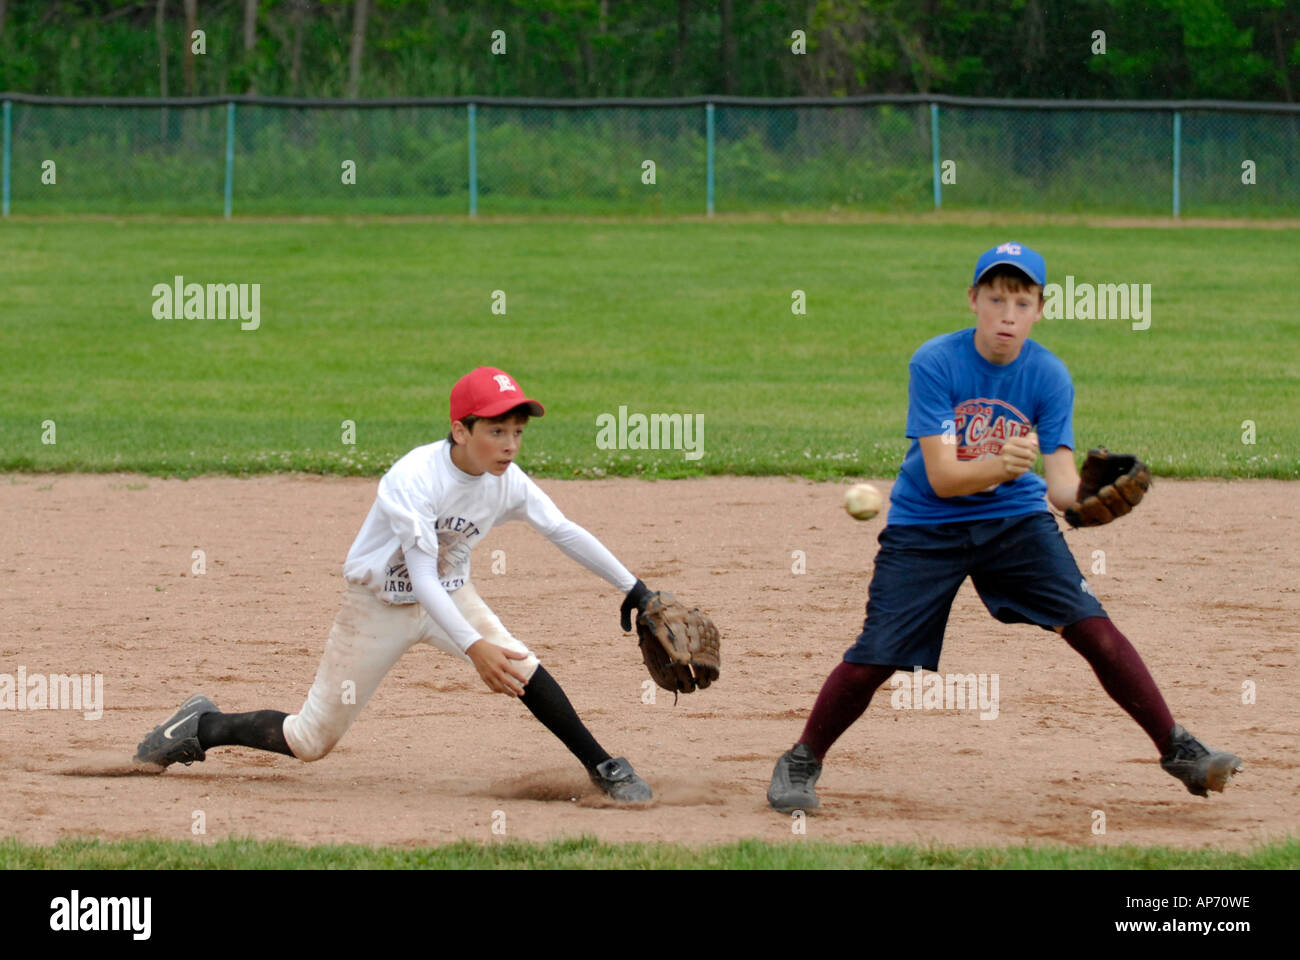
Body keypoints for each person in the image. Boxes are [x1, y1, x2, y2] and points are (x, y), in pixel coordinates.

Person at [767, 242, 1243, 813]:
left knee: (1094, 629)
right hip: (927, 526)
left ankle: (1180, 751)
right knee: (877, 655)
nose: (1007, 314)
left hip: (1015, 523)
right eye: (996, 298)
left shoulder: (1048, 375)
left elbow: (1059, 483)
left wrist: (1085, 500)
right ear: (973, 301)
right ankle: (800, 760)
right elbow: (944, 478)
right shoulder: (936, 362)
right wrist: (1004, 465)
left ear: (1041, 308)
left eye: (1022, 300)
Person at [136, 366, 661, 803]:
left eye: (518, 431)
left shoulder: (508, 483)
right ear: (461, 430)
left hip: (448, 594)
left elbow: (564, 530)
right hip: (378, 608)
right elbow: (419, 571)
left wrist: (633, 589)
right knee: (309, 740)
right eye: (496, 431)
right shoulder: (414, 479)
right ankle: (201, 727)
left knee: (521, 667)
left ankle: (603, 766)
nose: (510, 445)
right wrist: (474, 647)